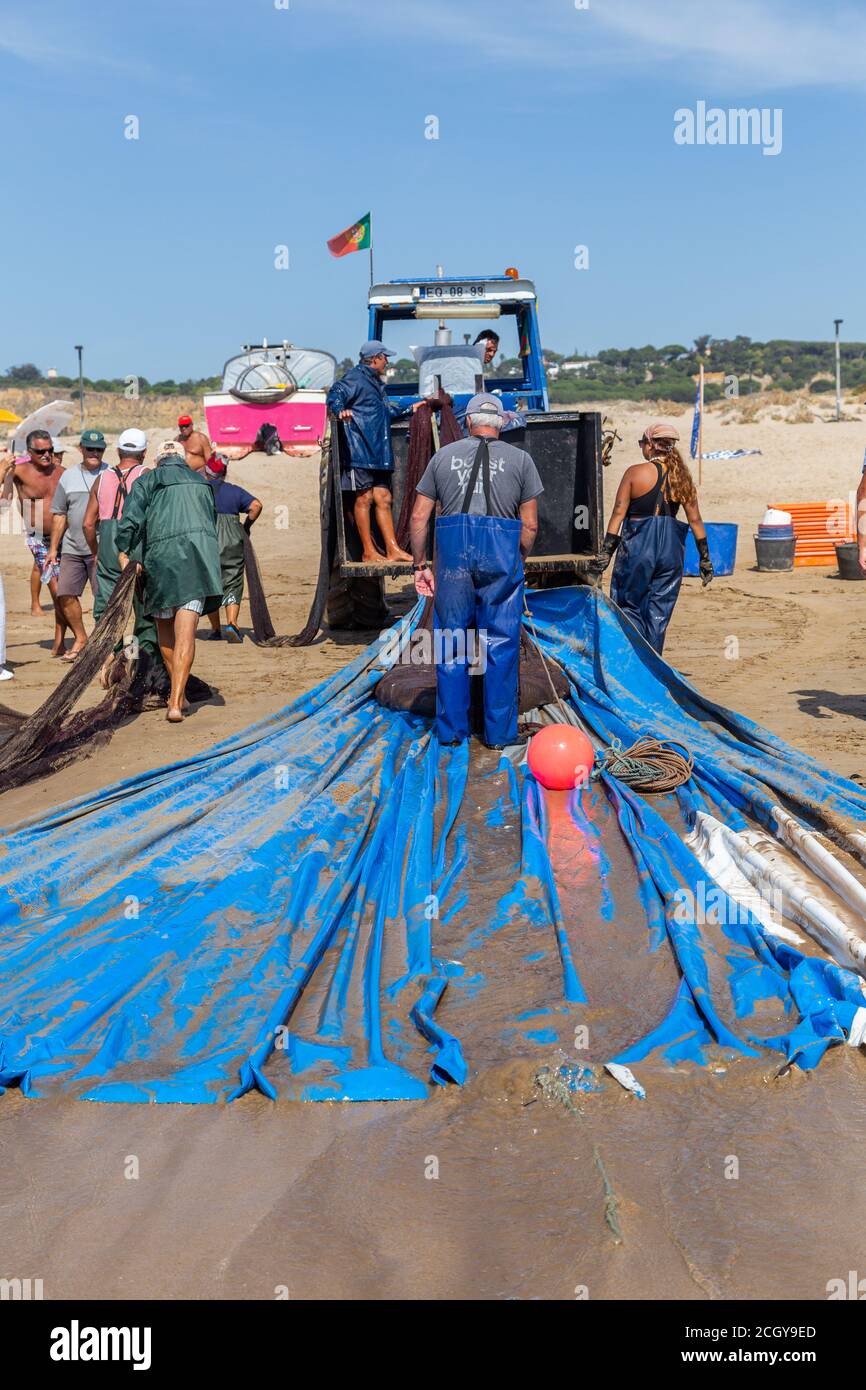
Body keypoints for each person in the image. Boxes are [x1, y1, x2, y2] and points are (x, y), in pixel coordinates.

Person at [409, 392, 543, 749]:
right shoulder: (522, 460)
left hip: (453, 559)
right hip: (501, 555)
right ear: (502, 422)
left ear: (468, 421)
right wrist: (518, 561)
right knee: (500, 643)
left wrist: (421, 563)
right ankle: (499, 735)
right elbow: (529, 526)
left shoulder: (443, 456)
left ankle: (452, 733)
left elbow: (420, 516)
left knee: (452, 640)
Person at [115, 440, 222, 723]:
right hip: (197, 561)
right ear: (182, 460)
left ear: (158, 461)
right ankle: (177, 700)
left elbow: (131, 520)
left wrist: (123, 550)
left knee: (166, 630)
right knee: (186, 631)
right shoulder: (201, 482)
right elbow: (211, 520)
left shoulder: (147, 480)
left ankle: (176, 697)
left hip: (161, 563)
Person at [589, 421, 713, 654]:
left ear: (650, 445)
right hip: (671, 552)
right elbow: (695, 520)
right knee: (659, 612)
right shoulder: (682, 478)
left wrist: (606, 553)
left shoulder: (635, 473)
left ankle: (633, 663)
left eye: (641, 443)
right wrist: (705, 558)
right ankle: (654, 664)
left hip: (638, 548)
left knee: (629, 606)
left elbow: (618, 514)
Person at [326, 340, 424, 564]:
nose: (387, 361)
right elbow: (335, 393)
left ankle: (392, 549)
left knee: (384, 497)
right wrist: (340, 411)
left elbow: (384, 411)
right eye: (385, 357)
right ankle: (368, 551)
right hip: (359, 449)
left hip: (378, 453)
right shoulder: (356, 378)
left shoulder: (376, 383)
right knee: (365, 498)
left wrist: (411, 409)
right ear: (375, 358)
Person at [82, 429, 151, 682]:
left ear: (118, 452)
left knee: (107, 609)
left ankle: (113, 654)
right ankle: (134, 659)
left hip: (109, 545)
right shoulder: (147, 475)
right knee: (142, 609)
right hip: (136, 546)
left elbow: (88, 524)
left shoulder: (102, 478)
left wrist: (97, 552)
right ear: (143, 453)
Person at [46, 428, 109, 660]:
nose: (94, 452)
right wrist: (53, 548)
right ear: (81, 449)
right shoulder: (68, 476)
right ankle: (81, 638)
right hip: (72, 547)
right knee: (65, 595)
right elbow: (60, 514)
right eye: (90, 448)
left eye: (99, 449)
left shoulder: (111, 474)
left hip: (101, 549)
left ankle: (104, 646)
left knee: (103, 598)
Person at [0, 429, 67, 647]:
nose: (47, 455)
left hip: (63, 534)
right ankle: (80, 638)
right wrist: (3, 469)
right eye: (41, 451)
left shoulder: (62, 472)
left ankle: (60, 638)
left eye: (50, 450)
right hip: (37, 536)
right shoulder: (18, 470)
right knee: (58, 590)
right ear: (29, 452)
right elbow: (4, 502)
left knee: (65, 591)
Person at [201, 453, 262, 642]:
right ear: (224, 473)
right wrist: (246, 527)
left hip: (207, 540)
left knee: (209, 584)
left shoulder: (199, 491)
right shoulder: (234, 491)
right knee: (233, 581)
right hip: (232, 539)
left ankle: (215, 629)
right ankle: (232, 624)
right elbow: (256, 506)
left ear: (207, 472)